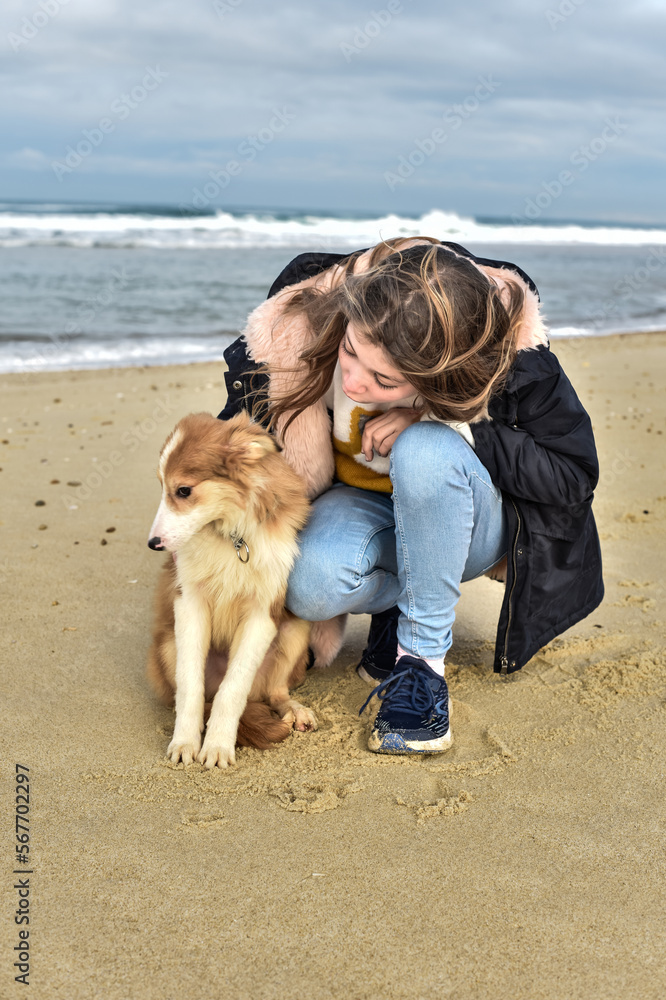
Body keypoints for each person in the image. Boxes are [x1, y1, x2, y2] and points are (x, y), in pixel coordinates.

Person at [217, 237, 604, 755]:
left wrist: (445, 421)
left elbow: (572, 475)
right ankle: (401, 609)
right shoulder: (300, 335)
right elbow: (236, 452)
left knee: (423, 450)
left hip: (469, 520)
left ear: (439, 375)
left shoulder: (511, 359)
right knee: (308, 585)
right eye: (350, 351)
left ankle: (421, 667)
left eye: (384, 379)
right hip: (364, 505)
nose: (352, 382)